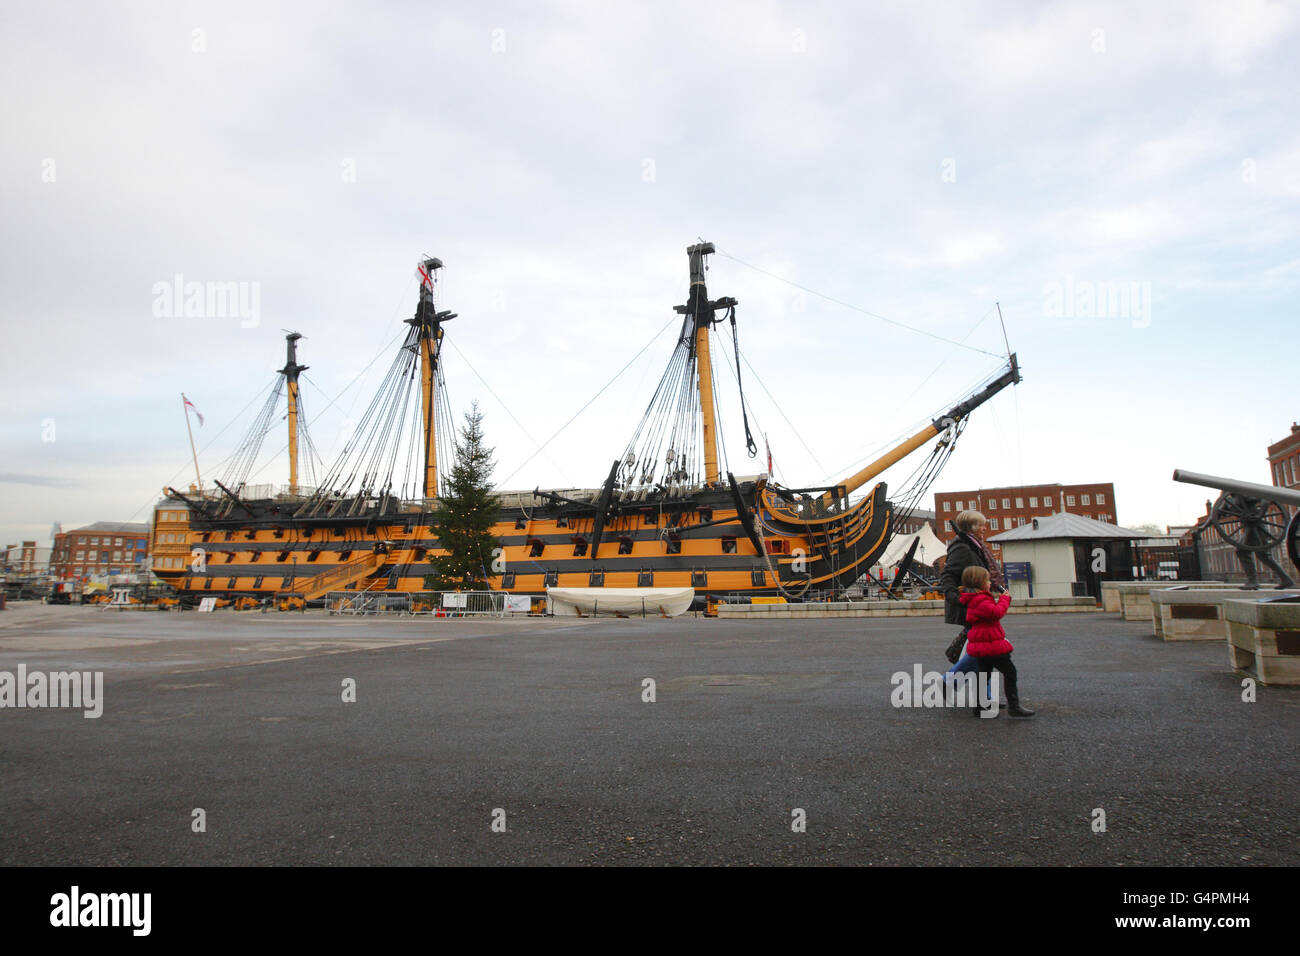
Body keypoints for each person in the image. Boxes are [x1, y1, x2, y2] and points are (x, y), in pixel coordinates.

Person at [959, 564, 1033, 718]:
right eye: (986, 580)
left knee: (983, 674)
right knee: (1010, 672)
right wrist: (1005, 599)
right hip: (991, 643)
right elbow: (996, 613)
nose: (989, 583)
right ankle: (1014, 706)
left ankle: (980, 707)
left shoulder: (974, 599)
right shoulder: (980, 599)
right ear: (979, 583)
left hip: (981, 643)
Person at [939, 510, 1001, 688]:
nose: (984, 528)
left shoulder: (974, 546)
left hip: (979, 602)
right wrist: (953, 596)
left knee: (983, 650)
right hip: (972, 605)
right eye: (981, 524)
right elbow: (948, 573)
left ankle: (981, 693)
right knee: (984, 651)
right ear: (972, 527)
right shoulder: (963, 547)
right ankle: (952, 681)